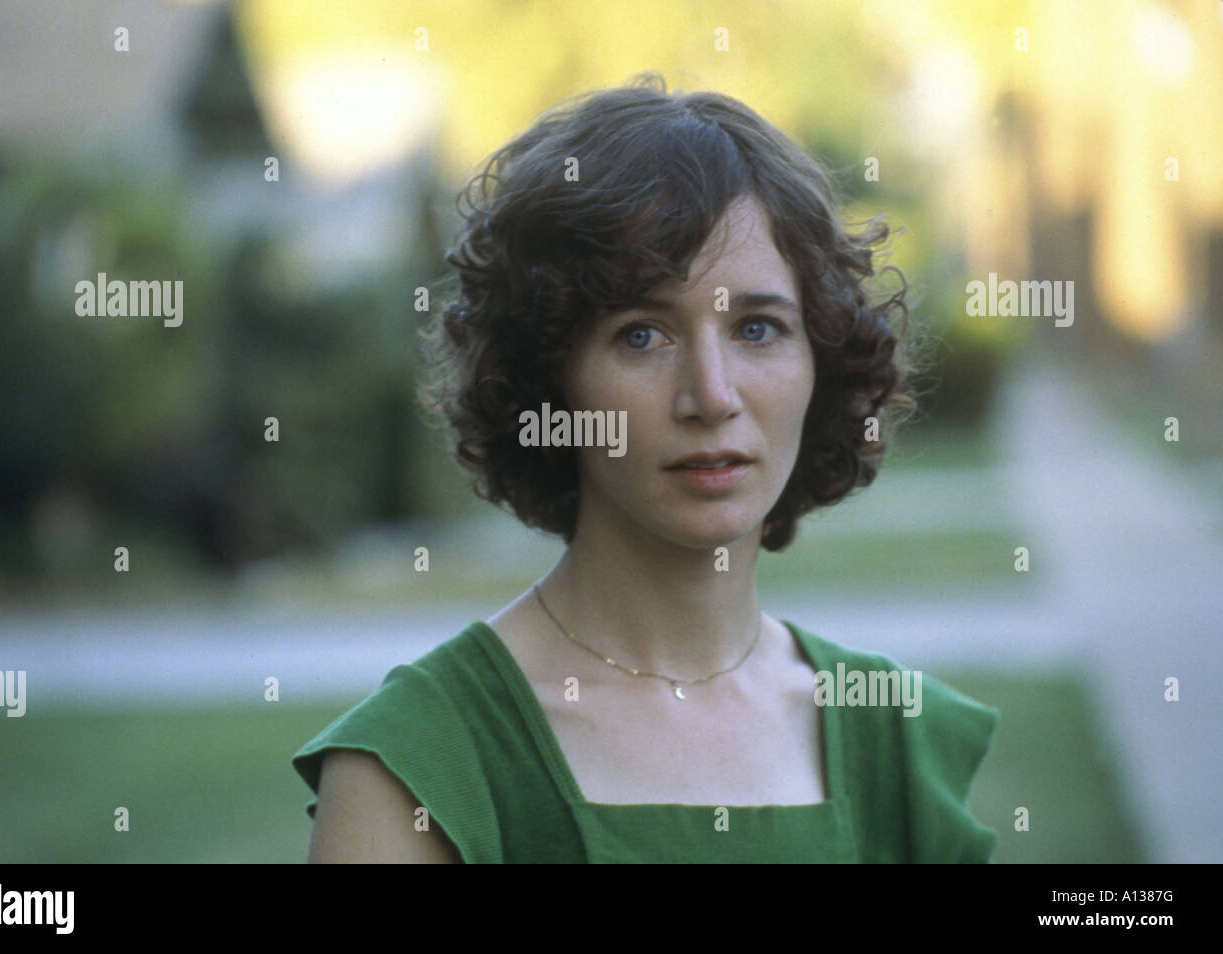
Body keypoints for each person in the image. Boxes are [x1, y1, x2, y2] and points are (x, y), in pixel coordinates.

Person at [293, 72, 999, 863]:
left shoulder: (893, 741)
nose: (712, 395)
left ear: (822, 362)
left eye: (757, 328)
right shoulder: (419, 766)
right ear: (548, 376)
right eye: (641, 335)